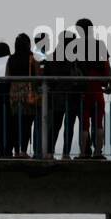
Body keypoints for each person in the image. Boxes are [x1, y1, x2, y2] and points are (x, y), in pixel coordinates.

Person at [41, 29, 81, 159]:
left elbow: (46, 76)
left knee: (55, 125)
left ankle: (49, 152)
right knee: (69, 126)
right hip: (72, 94)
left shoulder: (52, 57)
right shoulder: (74, 57)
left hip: (56, 95)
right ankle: (66, 153)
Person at [74, 18, 110, 159]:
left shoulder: (75, 46)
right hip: (97, 87)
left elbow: (74, 66)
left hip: (83, 88)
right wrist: (110, 83)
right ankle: (98, 152)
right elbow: (106, 65)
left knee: (84, 123)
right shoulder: (99, 44)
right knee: (98, 122)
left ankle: (83, 153)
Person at [5, 33, 39, 158]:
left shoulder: (11, 59)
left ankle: (16, 151)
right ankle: (24, 151)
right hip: (28, 93)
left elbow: (7, 77)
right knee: (27, 123)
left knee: (15, 123)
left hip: (14, 94)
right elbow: (37, 77)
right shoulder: (32, 58)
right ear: (28, 45)